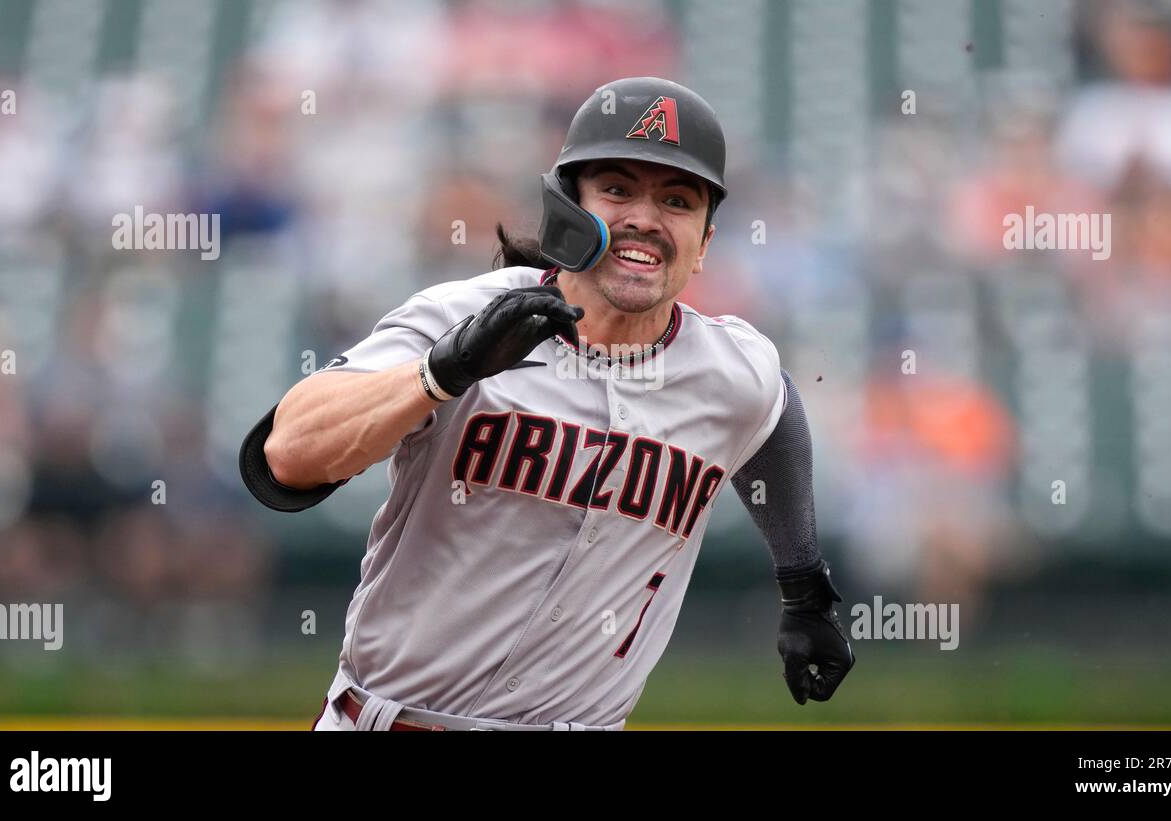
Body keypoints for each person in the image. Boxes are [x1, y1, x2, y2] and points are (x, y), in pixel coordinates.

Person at [240, 77, 853, 731]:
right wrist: (439, 372)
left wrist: (803, 585)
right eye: (617, 189)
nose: (645, 217)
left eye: (677, 200)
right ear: (566, 207)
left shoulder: (729, 370)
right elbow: (287, 453)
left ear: (703, 243)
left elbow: (778, 410)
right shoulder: (464, 316)